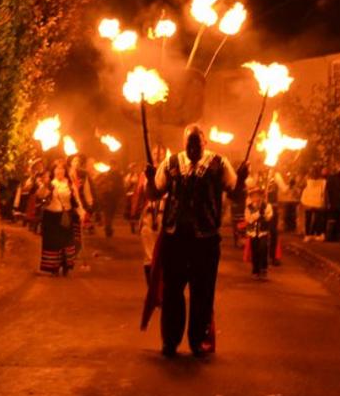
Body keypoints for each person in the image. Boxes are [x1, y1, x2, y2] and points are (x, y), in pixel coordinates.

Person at [146, 125, 248, 357]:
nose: (193, 149)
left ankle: (197, 341)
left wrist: (241, 180)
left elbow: (236, 194)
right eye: (189, 144)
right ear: (184, 144)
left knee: (202, 293)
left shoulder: (219, 164)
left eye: (197, 144)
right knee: (173, 292)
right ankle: (170, 340)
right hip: (175, 239)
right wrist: (150, 180)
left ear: (205, 144)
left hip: (206, 241)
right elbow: (154, 194)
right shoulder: (171, 164)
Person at [35, 161, 87, 276]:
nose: (60, 171)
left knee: (66, 242)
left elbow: (76, 199)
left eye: (62, 169)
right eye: (57, 169)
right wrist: (44, 184)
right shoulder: (50, 184)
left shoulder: (69, 184)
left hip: (65, 217)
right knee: (53, 243)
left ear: (65, 171)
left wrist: (81, 212)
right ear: (53, 171)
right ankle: (53, 267)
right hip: (51, 217)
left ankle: (65, 266)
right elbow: (41, 195)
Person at [244, 186, 274, 279]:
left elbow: (269, 216)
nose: (256, 198)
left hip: (263, 232)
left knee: (263, 249)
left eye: (257, 195)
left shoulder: (267, 206)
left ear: (261, 196)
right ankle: (255, 270)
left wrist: (264, 214)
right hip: (253, 233)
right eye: (253, 196)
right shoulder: (249, 208)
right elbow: (248, 219)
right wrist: (258, 214)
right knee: (255, 251)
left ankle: (263, 269)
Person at [68, 154, 95, 253]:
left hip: (79, 204)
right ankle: (68, 249)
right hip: (67, 204)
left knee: (77, 228)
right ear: (71, 162)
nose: (77, 163)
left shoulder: (83, 174)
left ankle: (76, 249)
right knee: (67, 227)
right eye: (74, 161)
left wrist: (89, 203)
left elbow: (86, 189)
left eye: (78, 161)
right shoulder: (66, 173)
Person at [96, 159, 125, 237]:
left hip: (107, 196)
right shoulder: (117, 174)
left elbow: (99, 183)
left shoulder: (107, 173)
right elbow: (121, 186)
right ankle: (108, 228)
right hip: (111, 196)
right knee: (109, 213)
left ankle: (108, 227)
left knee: (108, 213)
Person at [301, 166, 328, 241]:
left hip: (309, 202)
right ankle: (318, 234)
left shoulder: (308, 180)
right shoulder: (323, 181)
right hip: (318, 202)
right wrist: (324, 202)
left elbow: (303, 189)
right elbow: (324, 192)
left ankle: (308, 235)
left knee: (309, 219)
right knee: (318, 218)